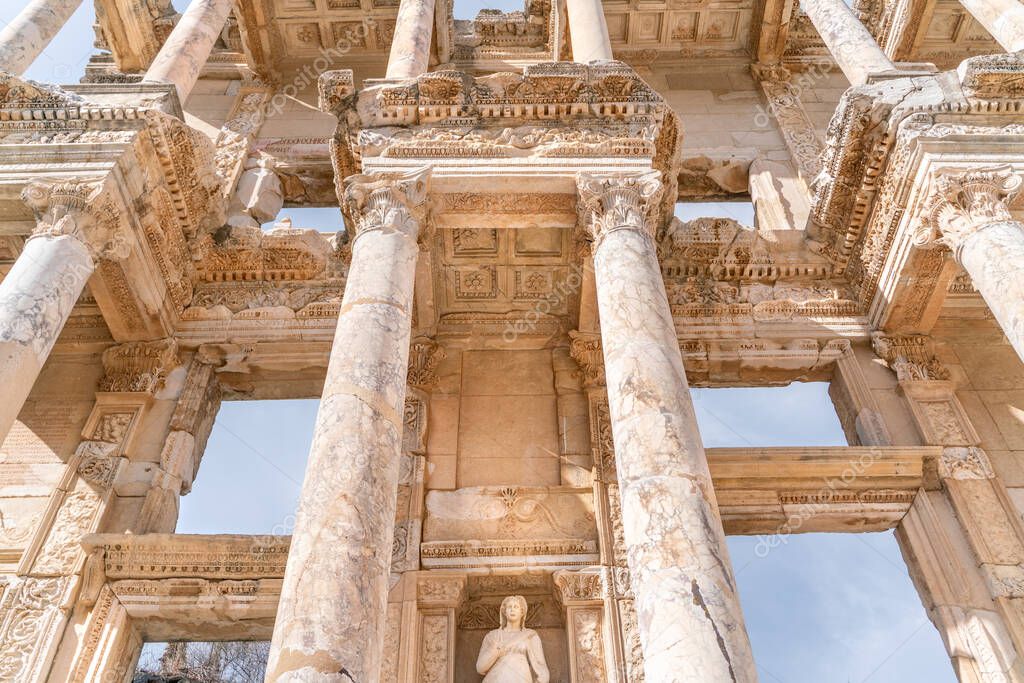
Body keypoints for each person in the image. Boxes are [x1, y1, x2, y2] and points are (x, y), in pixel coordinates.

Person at [476, 595, 550, 683]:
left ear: (522, 612)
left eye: (516, 607)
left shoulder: (530, 636)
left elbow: (540, 665)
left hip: (521, 678)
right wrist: (496, 651)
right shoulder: (493, 636)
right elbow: (480, 667)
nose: (512, 609)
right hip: (496, 679)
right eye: (509, 607)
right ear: (504, 611)